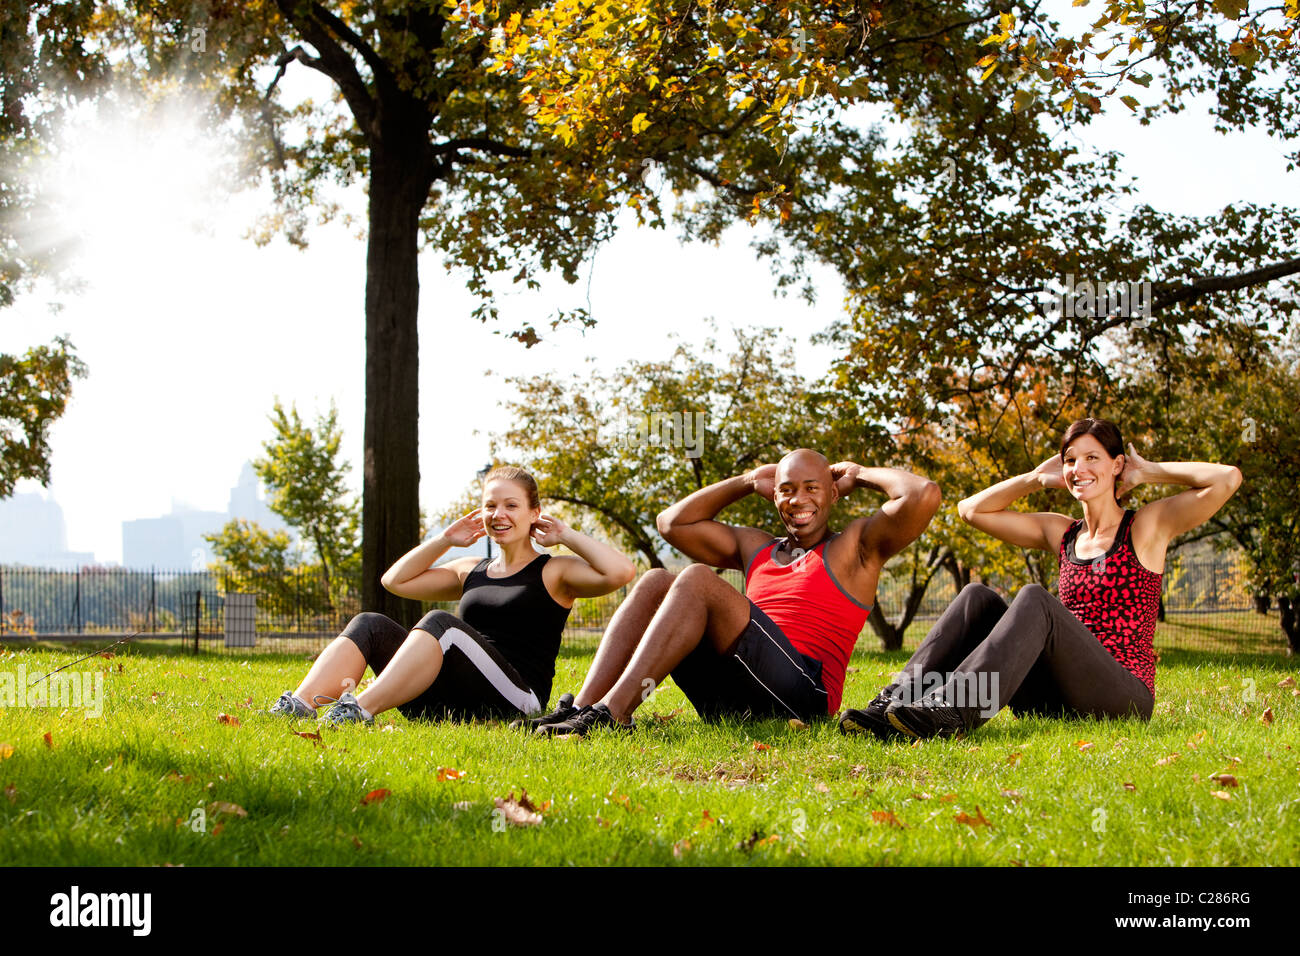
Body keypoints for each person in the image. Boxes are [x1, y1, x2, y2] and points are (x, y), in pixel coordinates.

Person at [839, 418, 1242, 741]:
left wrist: (1150, 472)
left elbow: (1227, 478)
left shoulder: (1145, 526)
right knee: (977, 596)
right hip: (1057, 696)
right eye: (1070, 460)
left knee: (1034, 597)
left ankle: (950, 709)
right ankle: (892, 702)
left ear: (1117, 465)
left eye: (1092, 458)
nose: (1078, 468)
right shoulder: (1062, 532)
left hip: (1122, 697)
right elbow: (971, 510)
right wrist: (1034, 478)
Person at [526, 449, 940, 737]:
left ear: (833, 493)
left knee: (698, 579)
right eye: (787, 489)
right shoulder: (756, 545)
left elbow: (922, 494)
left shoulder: (856, 546)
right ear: (773, 494)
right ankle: (580, 709)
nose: (799, 499)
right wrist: (745, 481)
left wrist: (859, 472)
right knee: (656, 580)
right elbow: (672, 523)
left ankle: (613, 715)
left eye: (813, 488)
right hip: (739, 693)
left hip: (804, 698)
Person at [268, 466, 636, 725]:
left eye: (511, 505)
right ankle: (299, 704)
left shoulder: (554, 571)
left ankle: (358, 709)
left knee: (442, 624)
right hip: (450, 699)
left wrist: (566, 535)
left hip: (517, 698)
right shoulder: (470, 569)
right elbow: (394, 580)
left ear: (534, 513)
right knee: (371, 624)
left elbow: (622, 572)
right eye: (490, 505)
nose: (498, 514)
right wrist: (445, 539)